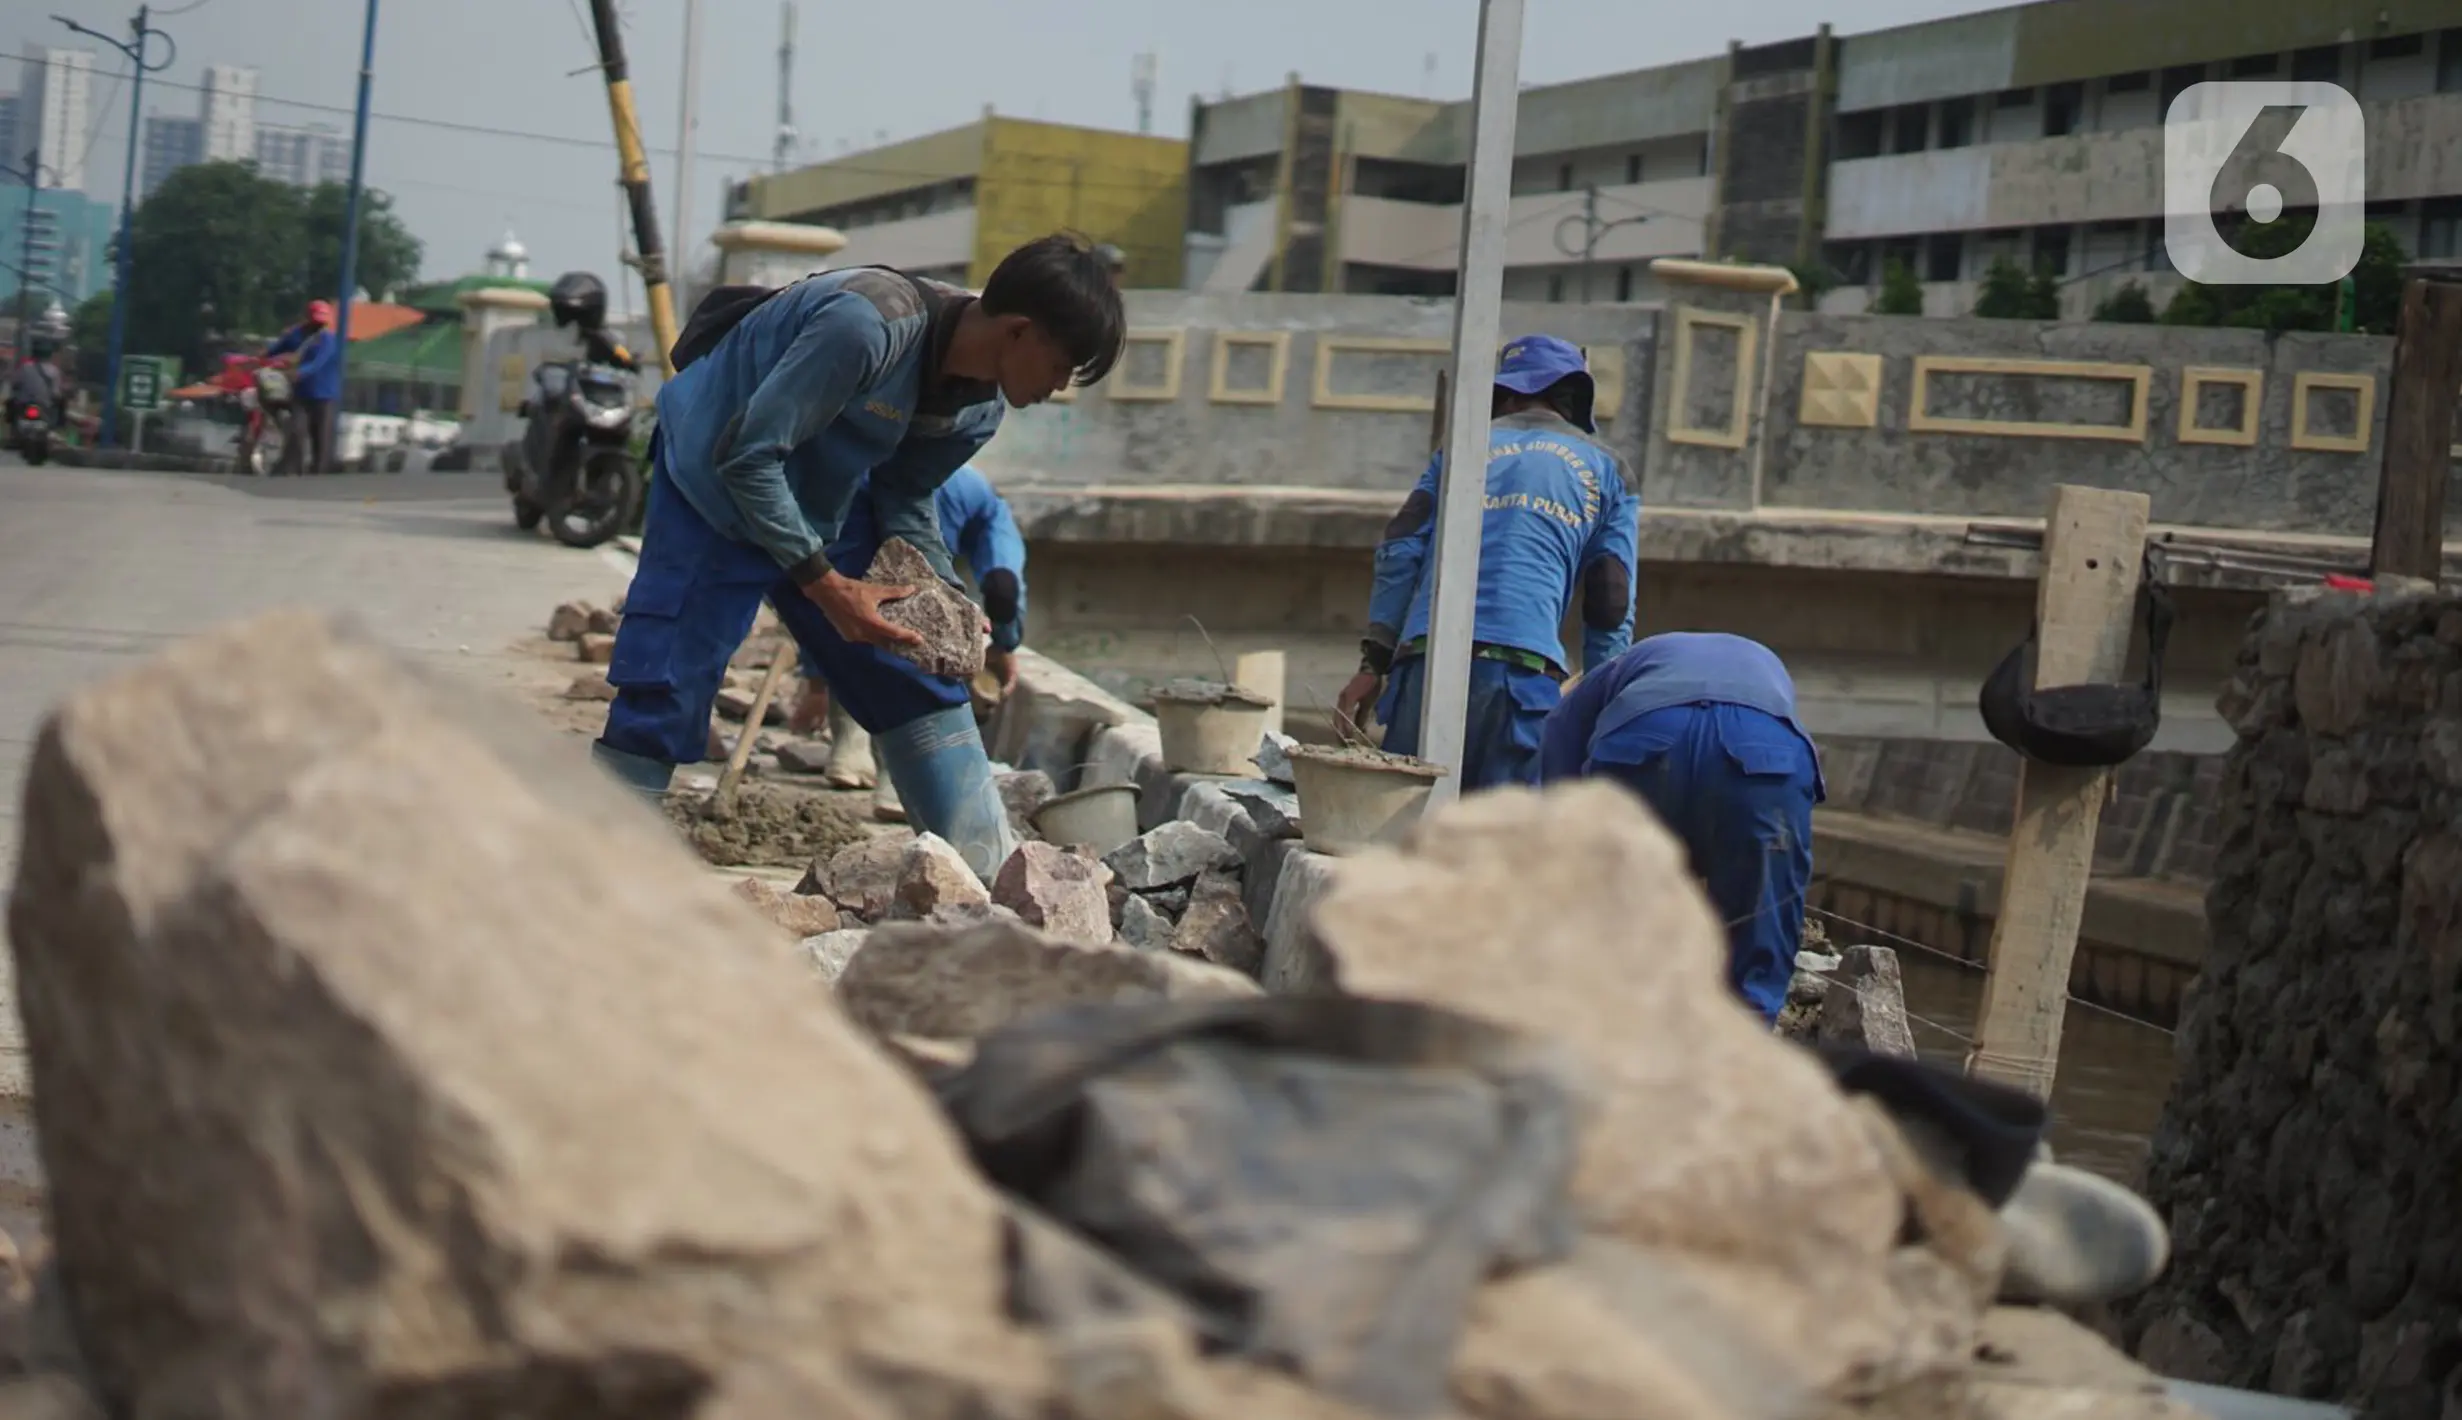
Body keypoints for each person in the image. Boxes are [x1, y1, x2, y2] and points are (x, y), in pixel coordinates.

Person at [594, 233, 1123, 882]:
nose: (1060, 386)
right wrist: (825, 586)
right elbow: (749, 458)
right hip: (716, 480)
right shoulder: (866, 327)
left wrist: (943, 599)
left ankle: (986, 884)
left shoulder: (978, 410)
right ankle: (593, 870)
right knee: (666, 682)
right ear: (1019, 331)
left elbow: (905, 498)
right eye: (1063, 365)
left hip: (824, 498)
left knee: (915, 662)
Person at [1334, 335, 1639, 791]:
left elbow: (1400, 549)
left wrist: (1371, 664)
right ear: (1572, 398)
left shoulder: (1459, 449)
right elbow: (1610, 596)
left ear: (1504, 393)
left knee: (1407, 833)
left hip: (1426, 663)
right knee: (1498, 846)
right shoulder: (1608, 468)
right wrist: (1599, 700)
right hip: (1521, 673)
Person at [1538, 632, 1825, 1024]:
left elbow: (1558, 752)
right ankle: (1747, 1042)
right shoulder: (1761, 662)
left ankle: (1609, 1031)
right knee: (1763, 910)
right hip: (1762, 752)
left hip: (1643, 737)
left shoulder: (1605, 676)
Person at [788, 464, 1028, 821]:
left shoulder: (882, 459)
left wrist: (816, 683)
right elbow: (1003, 584)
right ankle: (896, 781)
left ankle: (849, 748)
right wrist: (1006, 642)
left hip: (856, 502)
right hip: (907, 515)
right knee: (916, 640)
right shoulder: (985, 501)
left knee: (849, 613)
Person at [263, 300, 342, 474]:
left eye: (321, 321)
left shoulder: (328, 339)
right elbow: (273, 350)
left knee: (321, 437)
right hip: (301, 393)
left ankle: (319, 471)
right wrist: (264, 358)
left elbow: (317, 363)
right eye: (315, 320)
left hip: (324, 395)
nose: (318, 325)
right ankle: (292, 469)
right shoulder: (296, 335)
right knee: (297, 430)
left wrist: (299, 373)